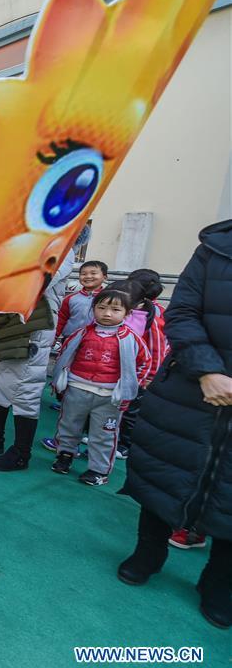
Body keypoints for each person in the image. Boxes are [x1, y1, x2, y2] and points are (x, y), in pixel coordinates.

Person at [117, 219, 232, 630]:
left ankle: (220, 583)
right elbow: (182, 311)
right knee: (165, 470)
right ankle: (148, 553)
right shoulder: (216, 249)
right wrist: (207, 370)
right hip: (190, 390)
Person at [0, 253, 74, 471]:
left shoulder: (61, 244)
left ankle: (22, 453)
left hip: (30, 330)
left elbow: (40, 279)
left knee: (25, 390)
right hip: (3, 321)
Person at [49, 288, 150, 485]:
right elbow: (64, 355)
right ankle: (65, 455)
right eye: (101, 307)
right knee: (68, 425)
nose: (107, 313)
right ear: (93, 309)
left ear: (127, 314)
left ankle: (98, 470)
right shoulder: (82, 333)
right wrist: (59, 381)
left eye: (115, 309)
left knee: (104, 434)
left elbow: (144, 363)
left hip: (110, 395)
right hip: (77, 388)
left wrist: (129, 388)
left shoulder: (131, 338)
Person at [55, 260, 108, 340]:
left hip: (97, 340)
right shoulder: (70, 298)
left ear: (105, 277)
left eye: (93, 273)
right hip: (70, 338)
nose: (88, 276)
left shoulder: (109, 299)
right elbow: (61, 319)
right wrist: (54, 336)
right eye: (83, 274)